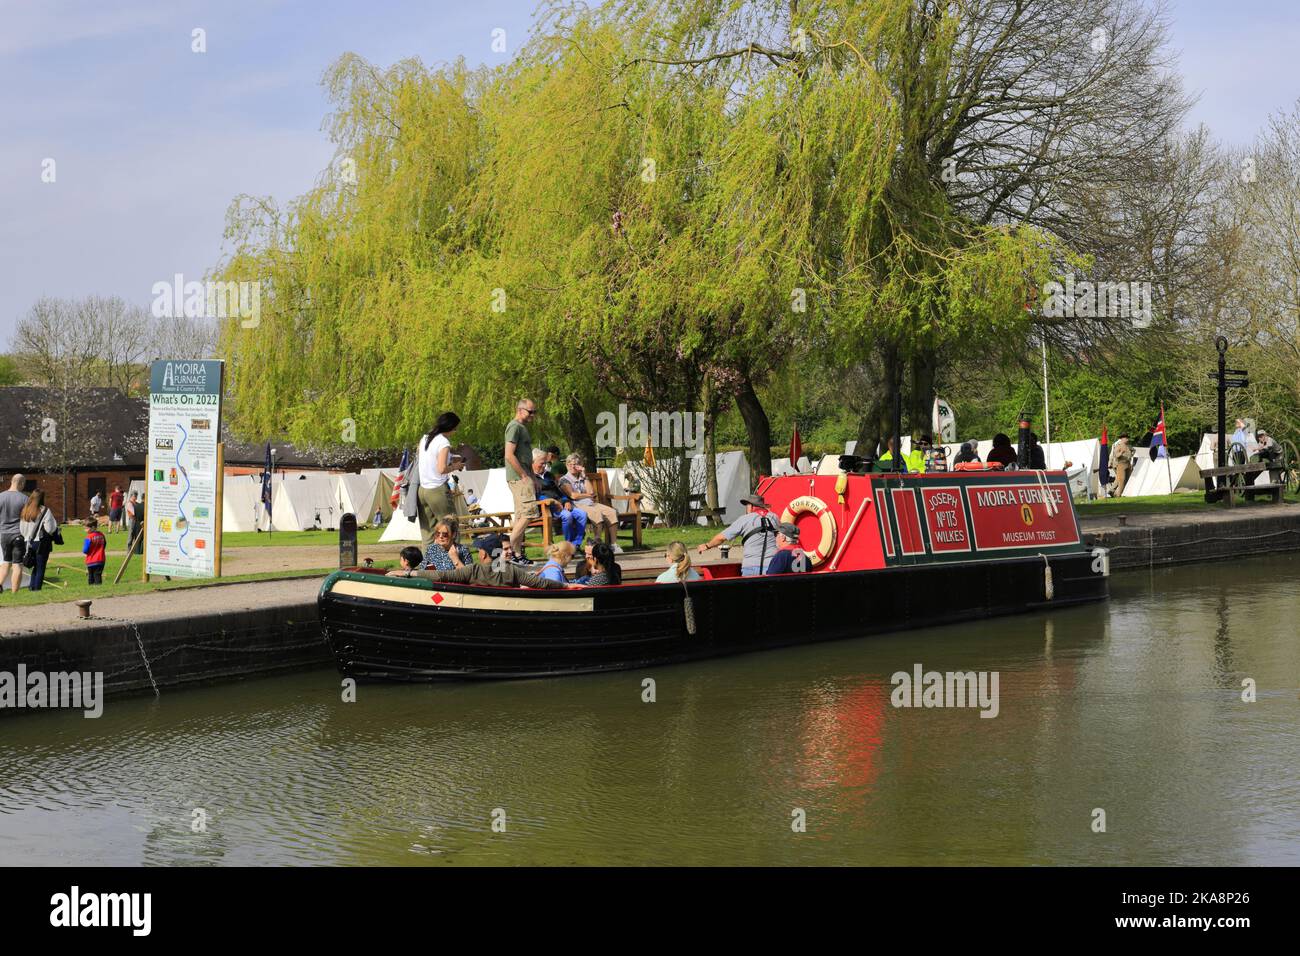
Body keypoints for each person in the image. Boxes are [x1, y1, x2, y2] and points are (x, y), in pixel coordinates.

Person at [388, 533, 572, 589]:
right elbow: (539, 583)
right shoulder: (510, 571)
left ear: (483, 554)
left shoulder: (474, 570)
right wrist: (565, 586)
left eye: (480, 549)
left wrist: (409, 573)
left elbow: (441, 575)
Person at [416, 411, 466, 552]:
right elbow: (441, 468)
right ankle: (454, 563)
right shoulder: (444, 442)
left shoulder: (425, 438)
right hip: (437, 490)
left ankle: (429, 566)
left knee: (429, 533)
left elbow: (429, 461)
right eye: (455, 428)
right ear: (450, 427)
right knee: (451, 528)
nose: (455, 431)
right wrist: (455, 466)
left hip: (422, 490)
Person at [697, 494, 781, 576]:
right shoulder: (775, 518)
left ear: (751, 506)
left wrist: (707, 545)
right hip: (771, 565)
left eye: (747, 505)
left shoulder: (744, 519)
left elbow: (721, 538)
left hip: (750, 567)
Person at [559, 453, 620, 549]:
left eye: (575, 464)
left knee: (612, 512)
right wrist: (588, 495)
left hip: (590, 503)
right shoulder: (564, 480)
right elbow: (573, 496)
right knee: (596, 513)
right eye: (569, 464)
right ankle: (596, 545)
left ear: (580, 465)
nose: (572, 466)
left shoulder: (582, 478)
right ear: (566, 465)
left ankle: (613, 545)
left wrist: (584, 475)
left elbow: (591, 491)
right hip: (576, 505)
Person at [504, 398, 539, 564]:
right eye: (530, 412)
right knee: (528, 513)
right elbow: (509, 454)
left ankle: (517, 555)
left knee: (520, 516)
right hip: (519, 478)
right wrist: (524, 476)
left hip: (523, 476)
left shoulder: (522, 428)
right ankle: (505, 551)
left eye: (534, 412)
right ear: (520, 410)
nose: (533, 415)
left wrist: (532, 476)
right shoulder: (514, 427)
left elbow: (525, 457)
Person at [533, 449, 587, 546]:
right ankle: (568, 544)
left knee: (582, 514)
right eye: (542, 463)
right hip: (548, 508)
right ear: (533, 462)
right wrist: (553, 501)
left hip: (561, 505)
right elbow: (535, 496)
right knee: (567, 516)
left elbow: (559, 491)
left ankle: (576, 544)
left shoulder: (549, 475)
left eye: (545, 463)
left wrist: (566, 501)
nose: (544, 465)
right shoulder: (531, 477)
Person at [19, 490, 60, 591]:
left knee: (35, 567)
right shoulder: (44, 510)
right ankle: (36, 589)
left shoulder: (25, 510)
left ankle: (32, 587)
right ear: (42, 498)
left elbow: (21, 529)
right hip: (40, 542)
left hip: (27, 542)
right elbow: (50, 529)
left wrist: (27, 537)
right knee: (40, 567)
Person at [0, 474, 31, 594]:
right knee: (17, 565)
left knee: (5, 563)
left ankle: (0, 585)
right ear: (22, 483)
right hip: (18, 534)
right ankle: (14, 592)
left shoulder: (0, 496)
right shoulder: (24, 499)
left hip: (3, 534)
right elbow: (28, 519)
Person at [83, 517, 106, 585]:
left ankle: (91, 588)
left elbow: (85, 550)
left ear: (93, 527)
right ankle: (98, 588)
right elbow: (104, 544)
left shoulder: (88, 537)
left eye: (86, 528)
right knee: (98, 575)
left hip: (91, 560)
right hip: (101, 559)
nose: (85, 530)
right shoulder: (101, 535)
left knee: (91, 576)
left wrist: (87, 552)